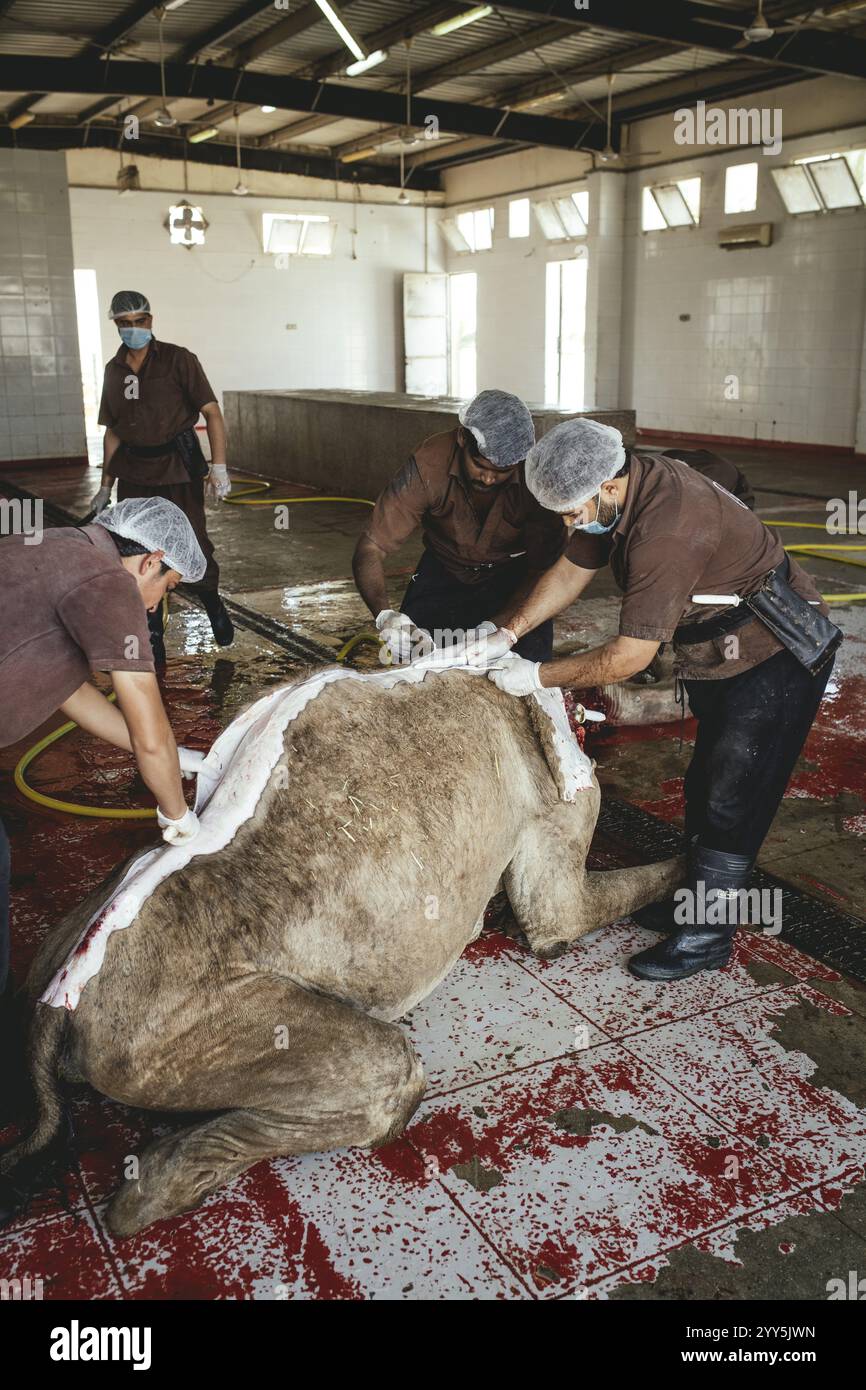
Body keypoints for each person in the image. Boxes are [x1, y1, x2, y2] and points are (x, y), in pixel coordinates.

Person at [477, 418, 839, 983]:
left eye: (574, 511)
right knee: (706, 783)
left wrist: (538, 677)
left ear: (609, 485)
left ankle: (708, 936)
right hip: (722, 646)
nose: (571, 524)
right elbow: (571, 569)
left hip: (776, 657)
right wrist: (510, 631)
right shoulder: (625, 489)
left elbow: (630, 656)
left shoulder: (667, 529)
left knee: (733, 795)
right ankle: (693, 901)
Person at [0, 497, 207, 1124]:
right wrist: (180, 820)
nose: (160, 602)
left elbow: (71, 694)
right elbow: (147, 728)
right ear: (152, 561)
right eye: (168, 586)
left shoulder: (55, 550)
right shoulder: (109, 588)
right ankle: (13, 1072)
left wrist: (186, 758)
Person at [352, 390, 566, 664]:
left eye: (502, 472)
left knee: (526, 674)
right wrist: (385, 615)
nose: (489, 479)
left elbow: (545, 569)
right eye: (479, 465)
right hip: (445, 568)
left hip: (515, 578)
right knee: (413, 660)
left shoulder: (535, 475)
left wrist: (497, 628)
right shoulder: (429, 465)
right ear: (462, 438)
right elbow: (371, 547)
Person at [89, 290, 234, 666]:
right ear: (116, 325)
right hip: (135, 470)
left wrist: (218, 466)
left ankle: (211, 601)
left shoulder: (178, 360)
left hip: (177, 468)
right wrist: (105, 485)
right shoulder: (113, 370)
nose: (134, 329)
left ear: (150, 321)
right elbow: (113, 432)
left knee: (193, 541)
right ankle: (151, 630)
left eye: (140, 321)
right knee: (135, 549)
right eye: (125, 323)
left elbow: (212, 413)